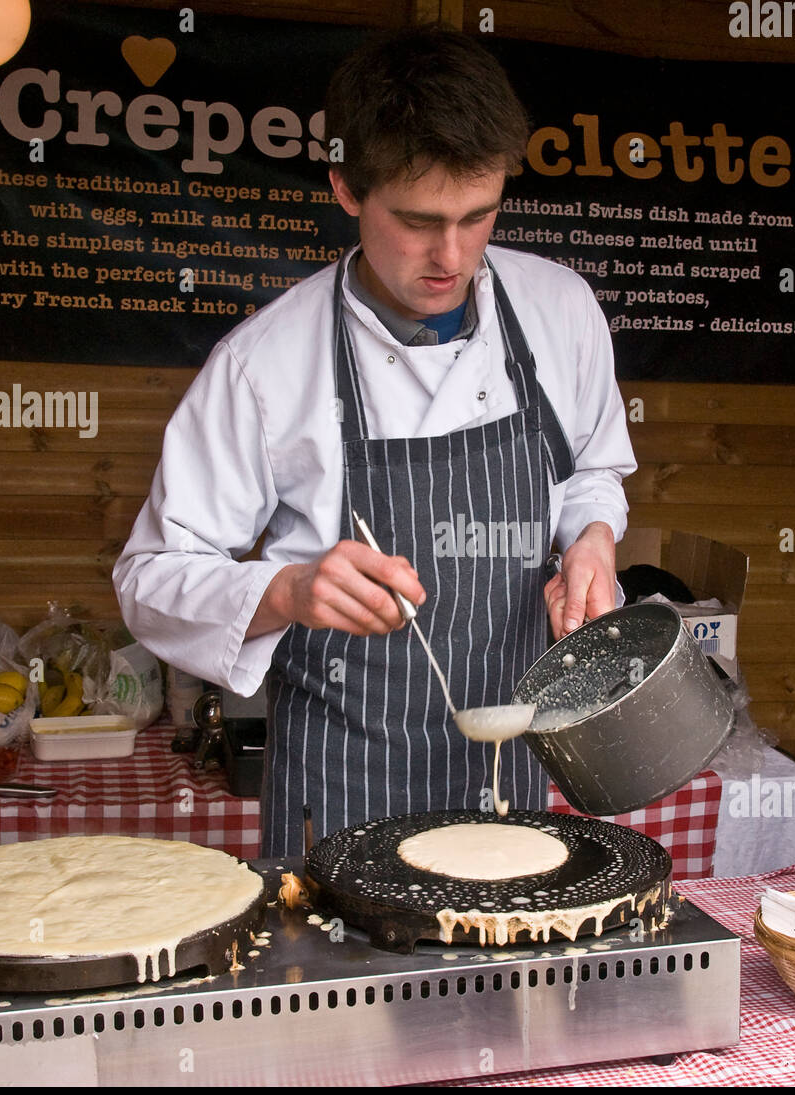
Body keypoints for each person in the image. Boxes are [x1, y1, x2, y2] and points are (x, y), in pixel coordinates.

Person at [114, 26, 636, 856]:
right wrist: (284, 592)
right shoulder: (264, 364)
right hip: (343, 793)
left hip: (512, 775)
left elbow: (591, 470)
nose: (453, 255)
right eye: (420, 222)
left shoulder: (559, 308)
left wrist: (593, 541)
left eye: (479, 216)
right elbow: (148, 581)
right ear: (347, 190)